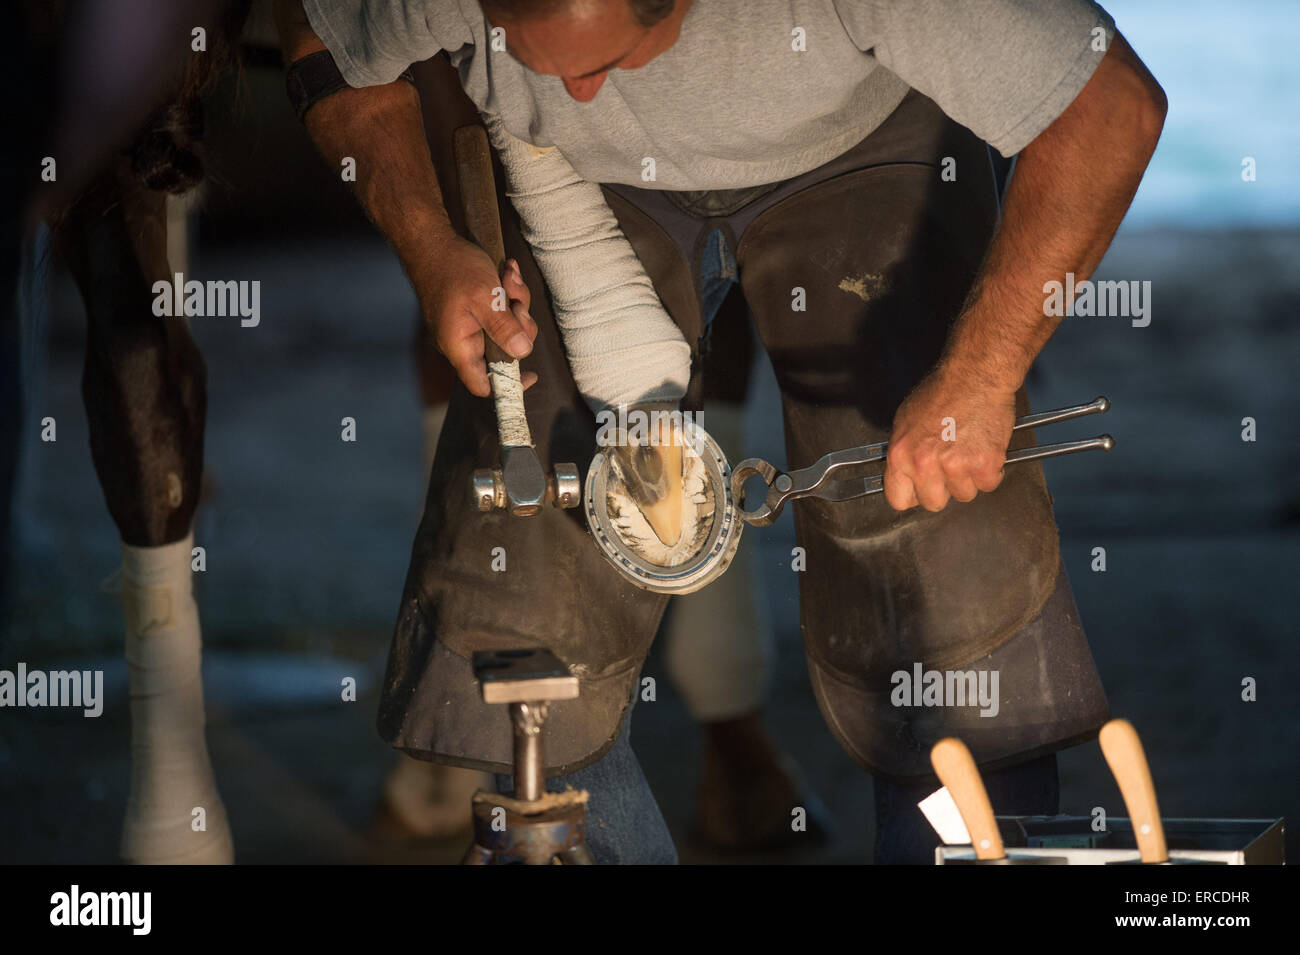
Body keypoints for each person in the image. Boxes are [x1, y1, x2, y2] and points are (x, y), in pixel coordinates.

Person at [275, 0, 1165, 863]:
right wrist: (431, 246)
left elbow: (1112, 105)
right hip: (570, 180)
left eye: (608, 60)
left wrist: (981, 374)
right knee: (525, 592)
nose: (581, 89)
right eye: (522, 45)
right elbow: (321, 37)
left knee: (946, 572)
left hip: (864, 143)